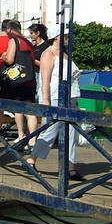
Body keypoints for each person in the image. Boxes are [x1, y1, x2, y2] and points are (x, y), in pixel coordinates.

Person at [27, 24, 84, 181]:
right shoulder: (48, 54)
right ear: (56, 37)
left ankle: (70, 166)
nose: (67, 37)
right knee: (51, 129)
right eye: (65, 35)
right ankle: (32, 159)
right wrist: (45, 100)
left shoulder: (66, 54)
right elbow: (45, 79)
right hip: (55, 96)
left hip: (71, 97)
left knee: (72, 132)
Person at [0, 20, 39, 142]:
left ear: (10, 29)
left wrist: (3, 56)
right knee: (30, 111)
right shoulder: (29, 43)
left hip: (15, 82)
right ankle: (32, 139)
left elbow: (9, 60)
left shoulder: (13, 41)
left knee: (0, 106)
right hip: (29, 81)